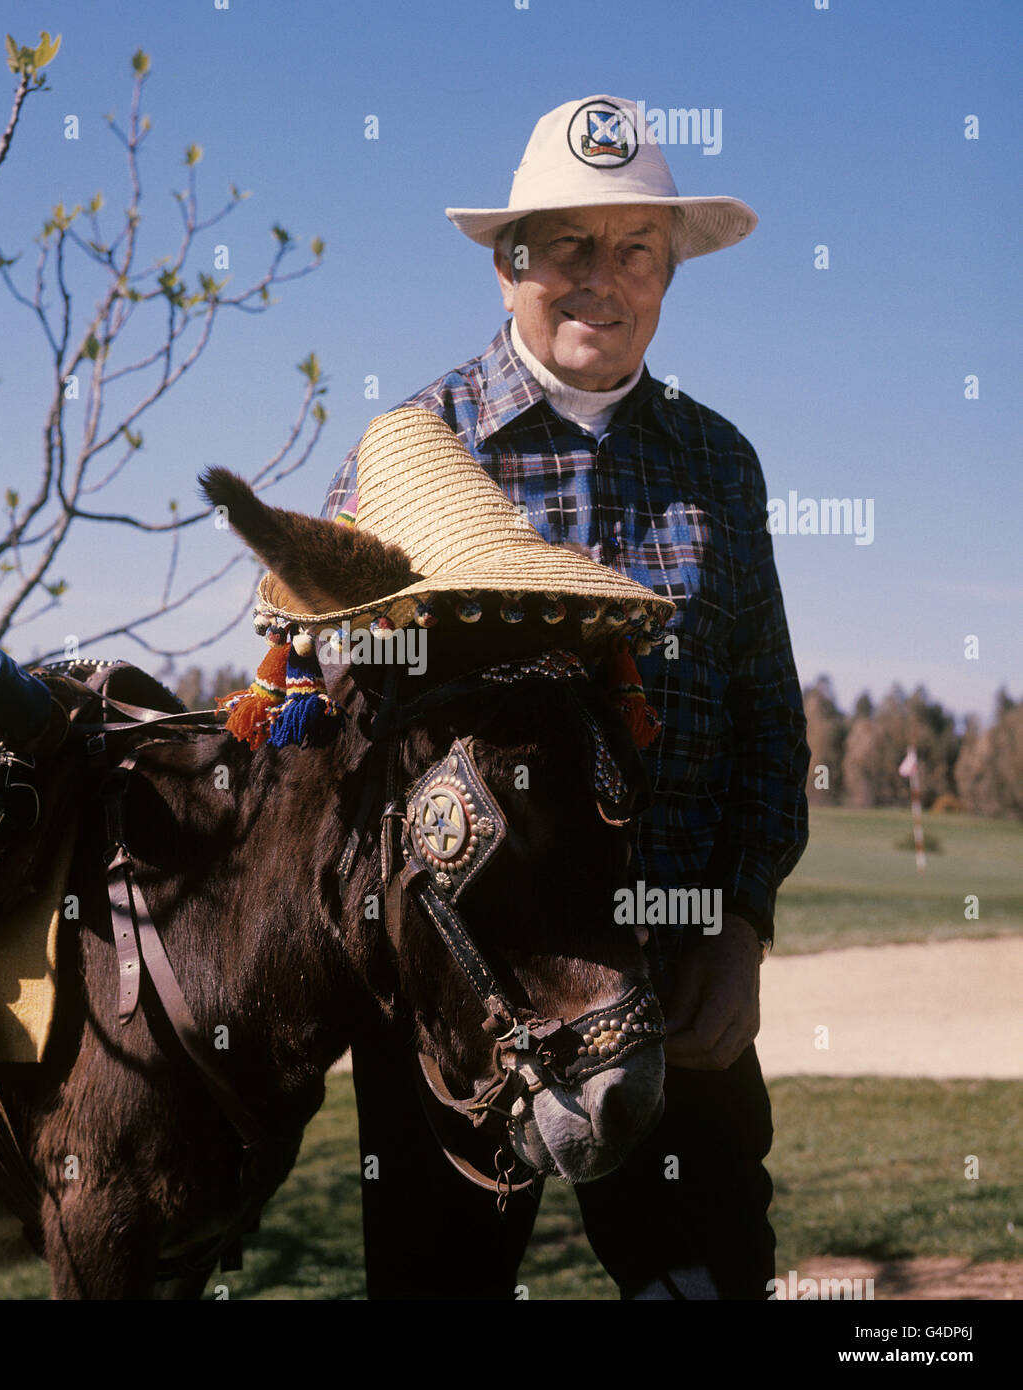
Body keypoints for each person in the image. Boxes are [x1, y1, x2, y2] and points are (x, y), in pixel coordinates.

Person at [321, 95, 810, 1300]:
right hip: (460, 1012)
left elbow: (767, 725)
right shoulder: (409, 452)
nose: (604, 279)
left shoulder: (718, 465)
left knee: (705, 1283)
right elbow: (332, 735)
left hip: (681, 979)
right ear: (508, 267)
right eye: (569, 247)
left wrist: (740, 931)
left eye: (636, 249)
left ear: (669, 274)